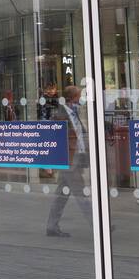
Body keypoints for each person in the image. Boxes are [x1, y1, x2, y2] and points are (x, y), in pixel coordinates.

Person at [46, 85, 91, 238]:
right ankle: (98, 224)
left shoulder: (73, 112)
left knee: (61, 195)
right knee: (81, 194)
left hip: (76, 160)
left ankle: (51, 226)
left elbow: (79, 136)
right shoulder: (60, 114)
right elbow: (54, 139)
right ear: (72, 99)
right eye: (79, 97)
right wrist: (50, 163)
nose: (81, 99)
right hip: (70, 161)